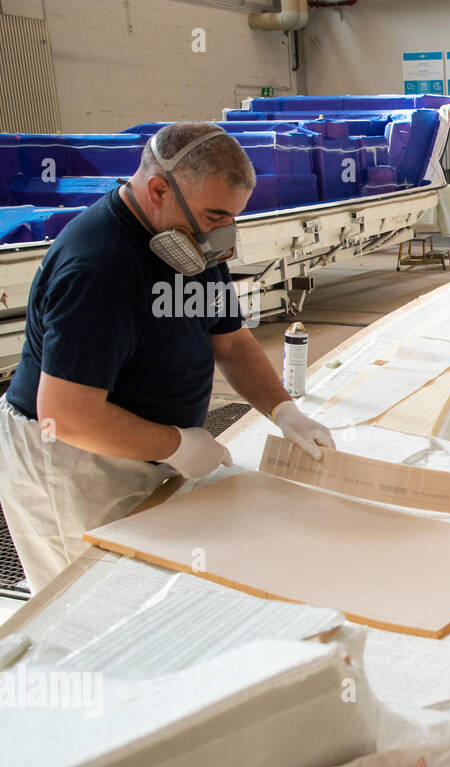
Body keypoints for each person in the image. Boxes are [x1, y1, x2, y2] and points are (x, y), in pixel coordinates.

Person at [0, 123, 334, 592]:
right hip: (72, 458)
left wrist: (285, 411)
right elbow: (69, 416)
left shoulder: (191, 240)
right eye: (215, 215)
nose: (223, 233)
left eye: (232, 217)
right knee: (88, 601)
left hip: (151, 446)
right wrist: (179, 445)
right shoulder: (99, 268)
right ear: (159, 188)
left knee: (146, 585)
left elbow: (232, 342)